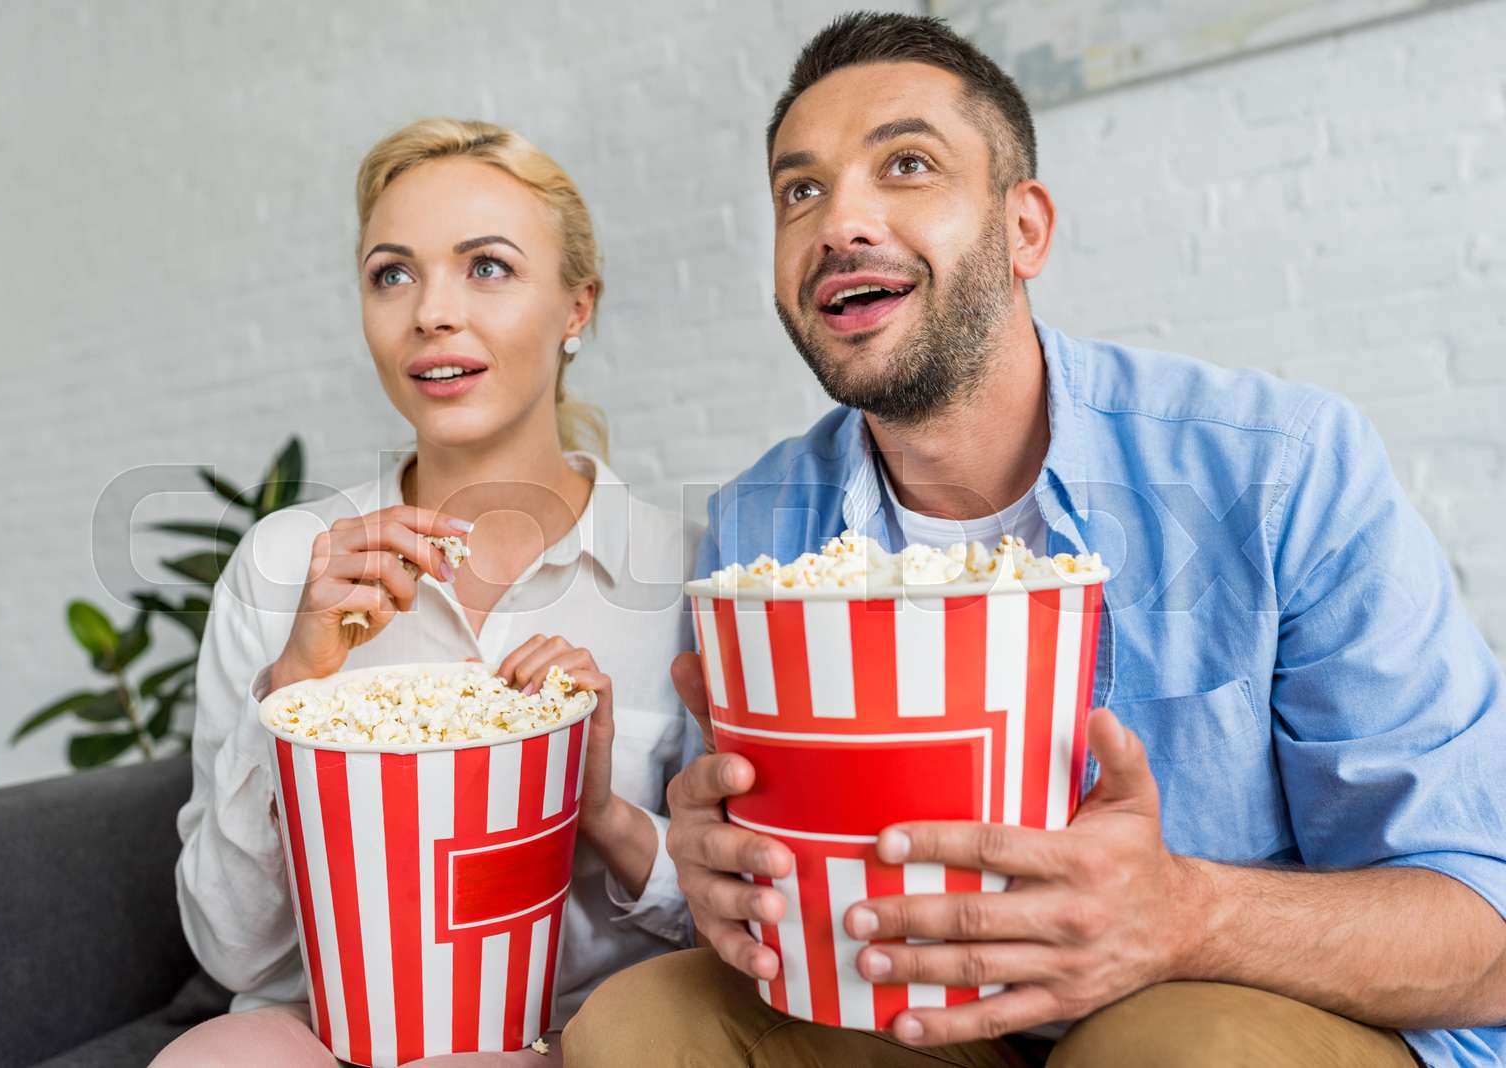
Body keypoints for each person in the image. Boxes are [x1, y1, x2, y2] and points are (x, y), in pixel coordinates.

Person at [562, 13, 1506, 1068]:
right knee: (644, 1024)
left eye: (906, 165)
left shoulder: (1277, 468)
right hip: (926, 1012)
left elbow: (1485, 931)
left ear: (1025, 229)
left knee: (1159, 1046)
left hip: (1228, 1007)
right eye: (800, 190)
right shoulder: (758, 518)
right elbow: (748, 883)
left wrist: (1183, 916)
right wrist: (719, 874)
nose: (840, 222)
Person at [153, 118, 698, 1067]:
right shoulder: (286, 564)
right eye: (391, 274)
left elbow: (747, 927)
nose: (430, 313)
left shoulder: (685, 573)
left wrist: (607, 818)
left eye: (486, 266)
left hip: (582, 1041)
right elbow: (231, 949)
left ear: (577, 307)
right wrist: (295, 685)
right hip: (330, 1039)